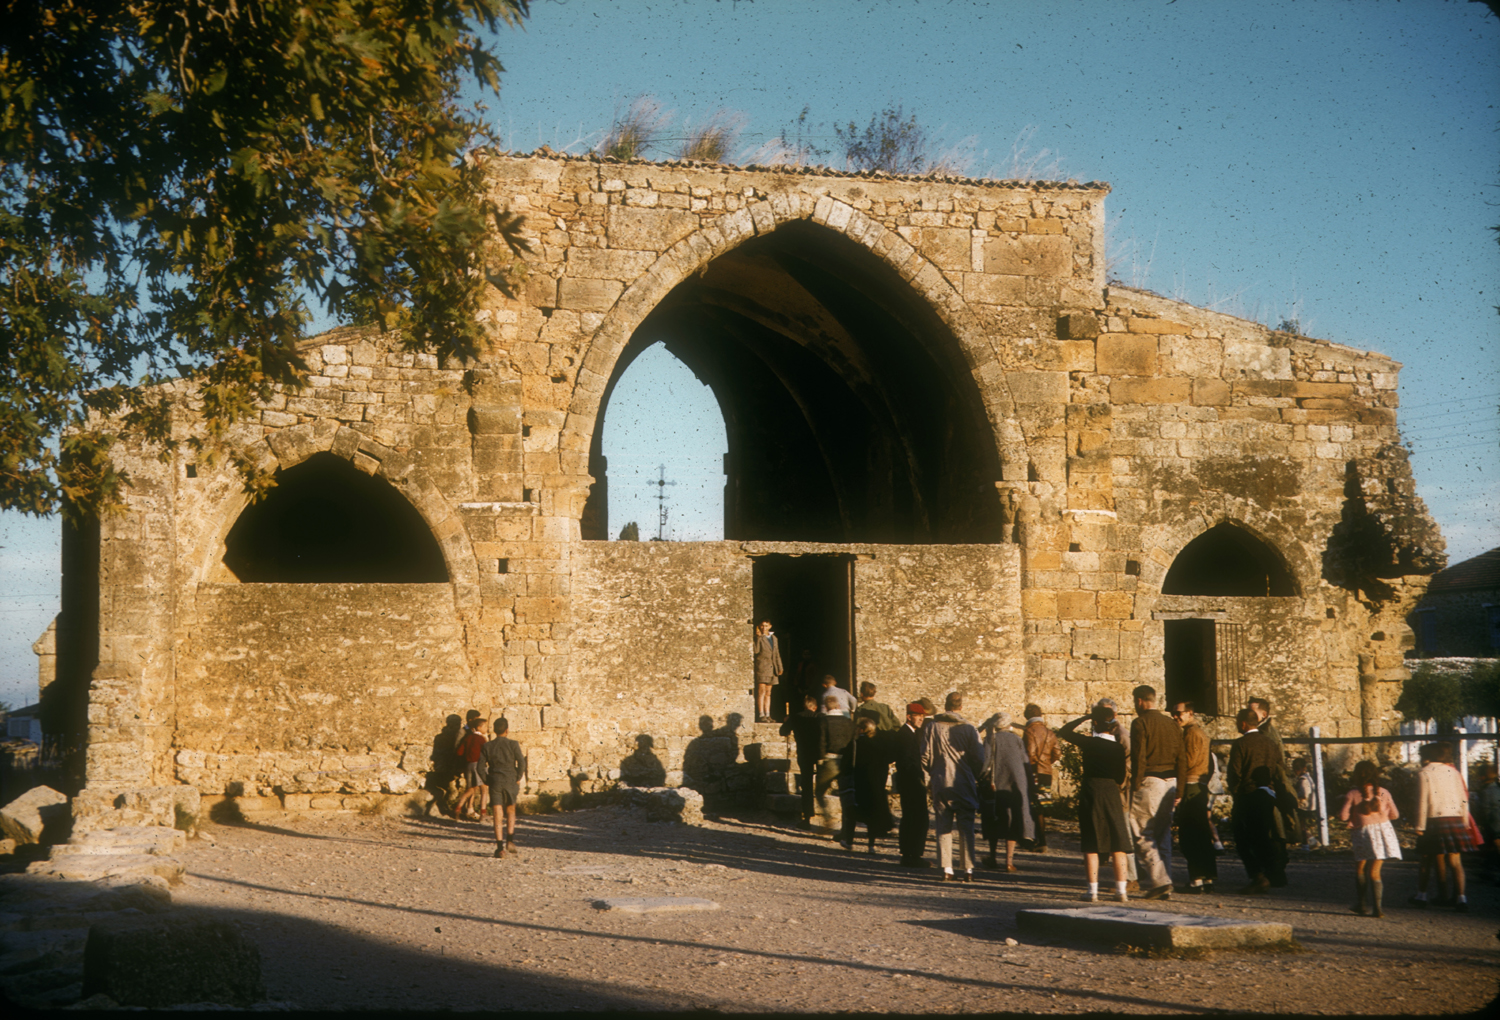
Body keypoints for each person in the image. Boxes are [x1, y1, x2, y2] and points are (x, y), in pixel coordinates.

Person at [1059, 702, 1131, 903]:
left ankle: (1092, 891)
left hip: (1091, 789)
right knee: (1117, 842)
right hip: (1111, 791)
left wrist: (1085, 717)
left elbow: (1065, 731)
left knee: (1091, 841)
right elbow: (1120, 776)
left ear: (1095, 723)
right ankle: (1121, 890)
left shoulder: (1089, 743)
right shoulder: (1118, 747)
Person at [1226, 707, 1293, 894]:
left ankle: (1257, 875)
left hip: (1247, 794)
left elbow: (1235, 773)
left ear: (1243, 723)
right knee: (1266, 836)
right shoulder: (1270, 743)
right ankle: (1275, 874)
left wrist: (1236, 792)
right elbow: (1279, 767)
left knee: (1243, 837)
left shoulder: (1240, 744)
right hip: (1268, 794)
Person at [921, 692, 985, 882]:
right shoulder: (969, 729)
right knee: (966, 826)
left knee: (943, 824)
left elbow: (924, 755)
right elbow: (979, 758)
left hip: (940, 779)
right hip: (963, 780)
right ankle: (968, 869)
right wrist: (975, 774)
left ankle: (947, 868)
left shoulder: (932, 727)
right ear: (961, 707)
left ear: (945, 705)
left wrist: (933, 772)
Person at [1128, 684, 1185, 900]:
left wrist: (1136, 784)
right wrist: (1180, 789)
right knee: (1163, 834)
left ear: (1140, 701)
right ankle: (1164, 878)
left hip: (1150, 780)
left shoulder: (1140, 723)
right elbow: (1182, 758)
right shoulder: (1172, 724)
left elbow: (1139, 756)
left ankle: (1161, 881)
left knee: (1142, 832)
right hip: (1171, 781)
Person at [1411, 741, 1475, 911]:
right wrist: (1464, 821)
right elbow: (1463, 798)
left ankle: (1421, 896)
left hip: (1434, 820)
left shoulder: (1424, 773)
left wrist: (1419, 825)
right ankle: (1461, 898)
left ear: (1427, 756)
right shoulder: (1453, 772)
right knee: (1455, 861)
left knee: (1426, 859)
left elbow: (1422, 800)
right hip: (1455, 819)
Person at [1337, 760, 1400, 918]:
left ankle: (1362, 904)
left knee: (1360, 869)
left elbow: (1343, 816)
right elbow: (1395, 815)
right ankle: (1378, 908)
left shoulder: (1352, 794)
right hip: (1384, 834)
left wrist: (1352, 815)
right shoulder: (1384, 792)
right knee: (1375, 872)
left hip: (1362, 834)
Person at [1170, 701, 1217, 894]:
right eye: (1173, 713)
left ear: (1190, 713)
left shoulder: (1191, 734)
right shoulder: (1200, 733)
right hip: (1200, 785)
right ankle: (1207, 877)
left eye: (1178, 713)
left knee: (1190, 834)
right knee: (1201, 833)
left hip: (1190, 785)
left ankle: (1196, 879)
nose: (1175, 717)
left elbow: (1186, 762)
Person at [978, 710, 1033, 872]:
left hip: (997, 784)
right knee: (1012, 820)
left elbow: (985, 761)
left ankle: (993, 857)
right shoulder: (1017, 739)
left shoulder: (991, 739)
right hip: (1016, 785)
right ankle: (1009, 862)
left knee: (994, 820)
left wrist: (980, 777)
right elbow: (1025, 762)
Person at [839, 718, 895, 852]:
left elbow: (845, 764)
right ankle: (871, 845)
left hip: (857, 782)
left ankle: (849, 841)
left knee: (851, 811)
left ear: (861, 729)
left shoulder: (854, 744)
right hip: (873, 784)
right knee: (871, 814)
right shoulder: (878, 745)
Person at [482, 717, 526, 858]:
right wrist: (517, 777)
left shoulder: (487, 746)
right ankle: (510, 841)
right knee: (511, 810)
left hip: (495, 780)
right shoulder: (513, 744)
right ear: (507, 730)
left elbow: (480, 767)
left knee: (497, 812)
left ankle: (500, 848)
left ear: (494, 730)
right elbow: (521, 762)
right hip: (510, 779)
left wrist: (487, 780)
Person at [894, 702, 931, 867]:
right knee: (917, 818)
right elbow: (907, 761)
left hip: (911, 781)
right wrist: (918, 778)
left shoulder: (911, 733)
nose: (921, 719)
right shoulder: (905, 735)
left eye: (922, 716)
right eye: (918, 716)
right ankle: (913, 854)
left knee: (911, 817)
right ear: (909, 717)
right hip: (911, 781)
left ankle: (909, 853)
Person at [812, 694, 855, 833]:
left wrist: (820, 759)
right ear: (838, 706)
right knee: (845, 794)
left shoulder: (824, 721)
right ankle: (846, 827)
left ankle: (828, 818)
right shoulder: (848, 721)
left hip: (830, 760)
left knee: (819, 792)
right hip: (846, 761)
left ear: (825, 707)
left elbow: (821, 740)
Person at [1022, 704, 1060, 852]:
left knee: (1034, 805)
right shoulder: (1050, 732)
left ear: (1027, 716)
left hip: (1034, 772)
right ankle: (1040, 839)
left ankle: (1039, 841)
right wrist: (1046, 763)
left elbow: (1030, 753)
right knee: (1041, 807)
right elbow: (1057, 752)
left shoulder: (1029, 731)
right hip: (1046, 772)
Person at [781, 693, 823, 826]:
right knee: (822, 783)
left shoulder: (796, 717)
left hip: (804, 753)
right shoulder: (820, 717)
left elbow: (783, 732)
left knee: (806, 784)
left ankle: (807, 817)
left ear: (804, 706)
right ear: (815, 707)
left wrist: (787, 721)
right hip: (819, 753)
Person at [453, 716, 490, 821]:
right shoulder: (481, 739)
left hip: (468, 765)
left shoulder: (468, 738)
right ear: (479, 727)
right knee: (484, 789)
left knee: (470, 789)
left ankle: (458, 808)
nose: (487, 728)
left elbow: (459, 752)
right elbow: (487, 753)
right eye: (485, 726)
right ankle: (483, 814)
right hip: (479, 765)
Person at [752, 620, 783, 723]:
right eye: (762, 626)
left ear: (770, 626)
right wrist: (758, 638)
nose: (764, 628)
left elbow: (777, 653)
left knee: (768, 693)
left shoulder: (774, 638)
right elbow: (756, 650)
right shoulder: (758, 638)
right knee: (761, 691)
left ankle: (768, 714)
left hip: (772, 668)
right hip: (762, 668)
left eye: (766, 626)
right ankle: (761, 714)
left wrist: (780, 667)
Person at [1477, 764, 1500, 885]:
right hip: (1497, 824)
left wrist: (1482, 824)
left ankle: (1490, 873)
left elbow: (1485, 811)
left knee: (1495, 848)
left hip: (1494, 825)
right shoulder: (1497, 788)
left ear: (1483, 777)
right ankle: (1488, 872)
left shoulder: (1486, 791)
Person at [1247, 696, 1285, 766]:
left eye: (1252, 713)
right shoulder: (1259, 731)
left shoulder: (1267, 734)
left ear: (1264, 714)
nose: (1249, 715)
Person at [1291, 757, 1319, 850]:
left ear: (1304, 768)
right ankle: (1310, 841)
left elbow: (1305, 795)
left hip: (1305, 807)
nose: (1296, 771)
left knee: (1302, 827)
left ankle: (1307, 843)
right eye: (1295, 769)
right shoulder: (1308, 778)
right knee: (1304, 826)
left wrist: (1296, 796)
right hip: (1309, 806)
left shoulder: (1304, 780)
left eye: (1297, 768)